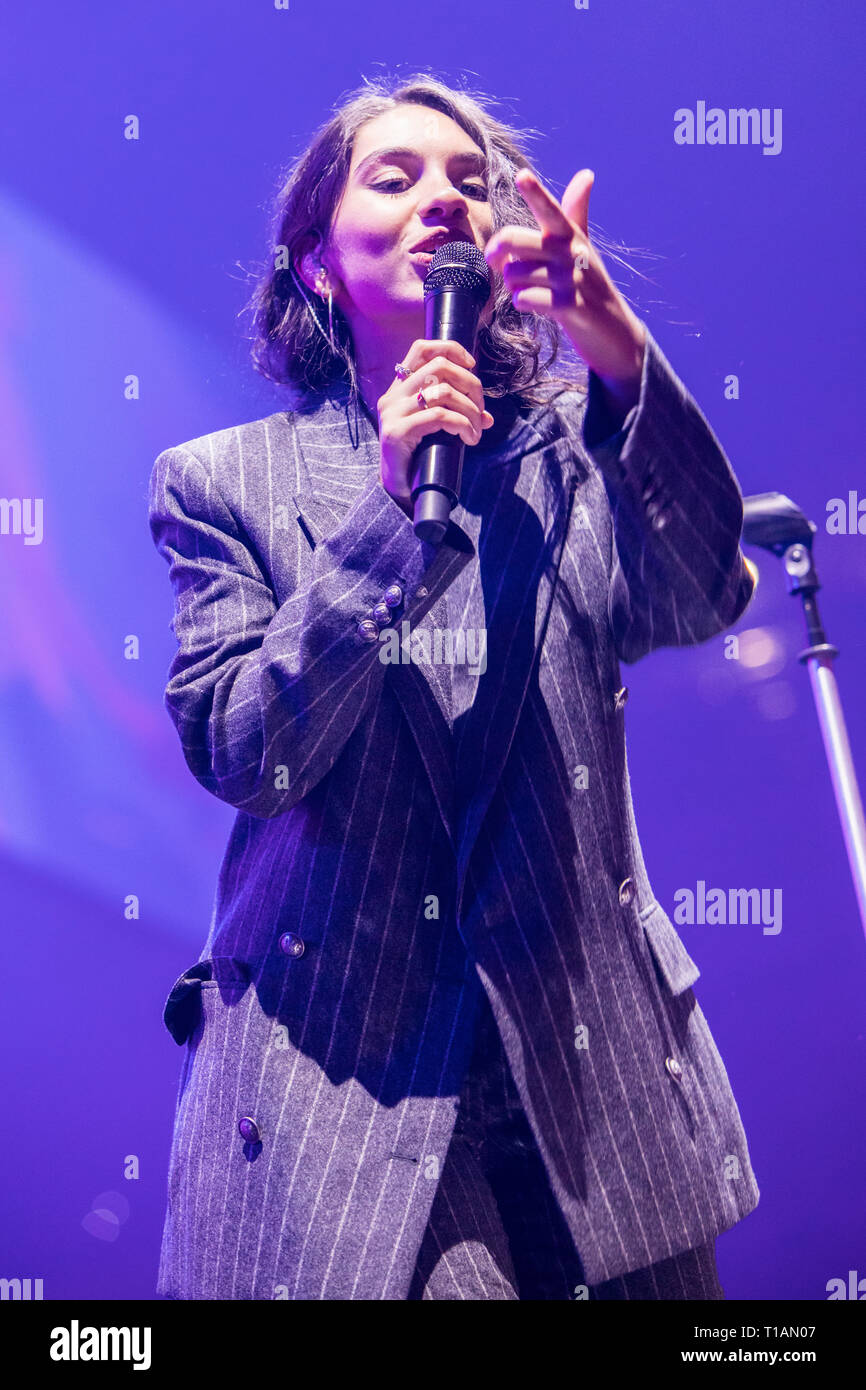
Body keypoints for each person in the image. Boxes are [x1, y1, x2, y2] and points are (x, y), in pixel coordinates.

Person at [148, 71, 760, 1301]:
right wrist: (385, 522)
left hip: (593, 1087)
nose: (444, 197)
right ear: (315, 263)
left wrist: (619, 353)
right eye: (394, 176)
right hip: (346, 1087)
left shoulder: (571, 458)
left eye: (469, 182)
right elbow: (248, 753)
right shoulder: (225, 484)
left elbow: (698, 592)